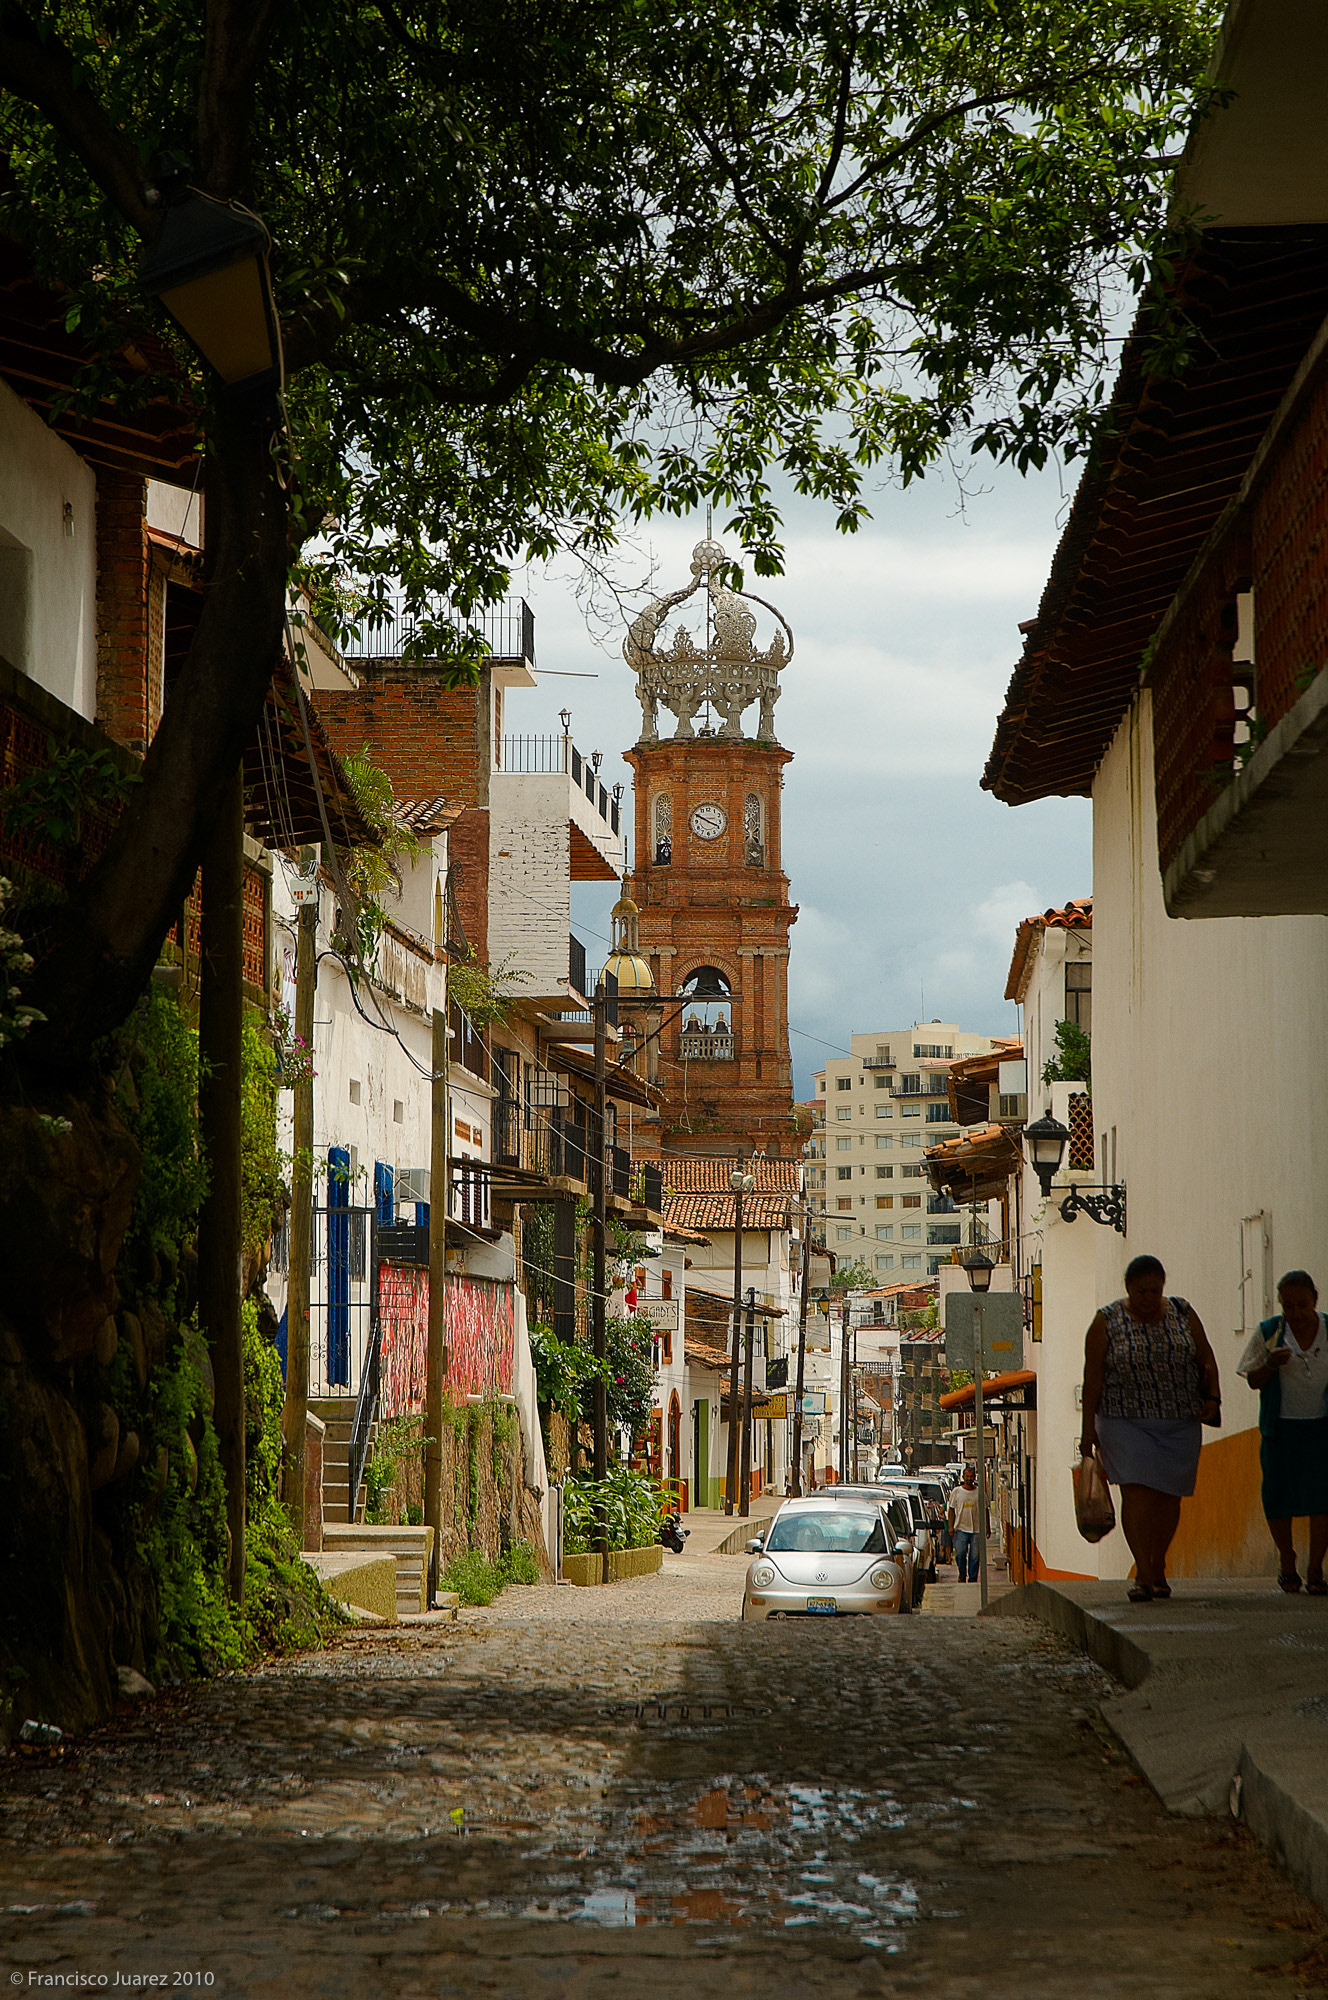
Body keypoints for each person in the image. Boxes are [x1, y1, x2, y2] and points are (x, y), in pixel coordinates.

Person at [1080, 1254, 1221, 1603]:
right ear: (1128, 1288)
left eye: (1155, 1291)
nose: (1148, 1298)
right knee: (1139, 1494)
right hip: (1123, 1420)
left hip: (1179, 1420)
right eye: (1141, 1291)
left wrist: (1213, 1398)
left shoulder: (1182, 1312)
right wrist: (1087, 1431)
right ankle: (1143, 1573)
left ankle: (1158, 1566)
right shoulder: (1107, 1320)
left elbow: (1205, 1357)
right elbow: (1092, 1379)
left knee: (1169, 1498)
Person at [1241, 1270, 1328, 1594]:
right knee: (1277, 1496)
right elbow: (1251, 1379)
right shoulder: (1270, 1332)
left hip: (1321, 1426)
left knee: (1322, 1498)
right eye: (1288, 1307)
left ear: (1314, 1300)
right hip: (1279, 1428)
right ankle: (1287, 1561)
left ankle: (1316, 1567)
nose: (1295, 1314)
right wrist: (1270, 1364)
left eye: (1301, 1306)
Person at [948, 1464, 984, 1582]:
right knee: (960, 1554)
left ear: (974, 1477)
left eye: (971, 1476)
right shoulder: (956, 1492)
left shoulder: (980, 1492)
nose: (969, 1479)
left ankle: (972, 1578)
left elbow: (986, 1509)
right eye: (967, 1476)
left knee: (975, 1556)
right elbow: (951, 1509)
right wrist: (950, 1527)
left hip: (977, 1529)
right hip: (960, 1528)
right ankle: (962, 1575)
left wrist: (987, 1527)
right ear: (963, 1477)